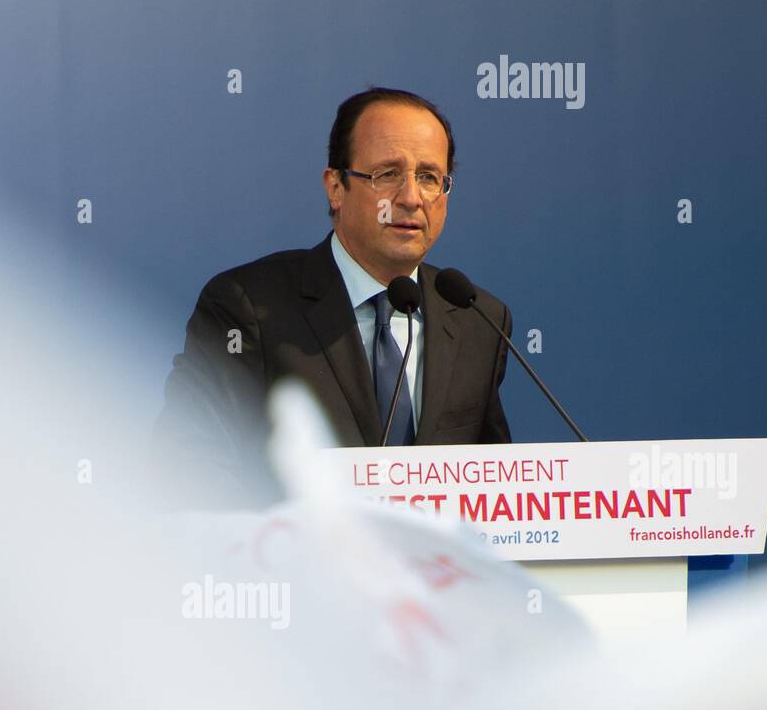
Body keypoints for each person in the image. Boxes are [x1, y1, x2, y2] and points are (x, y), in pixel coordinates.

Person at [155, 86, 513, 508]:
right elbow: (190, 465)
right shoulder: (248, 306)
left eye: (430, 178)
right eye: (388, 174)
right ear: (336, 187)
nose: (411, 198)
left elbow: (495, 485)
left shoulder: (478, 319)